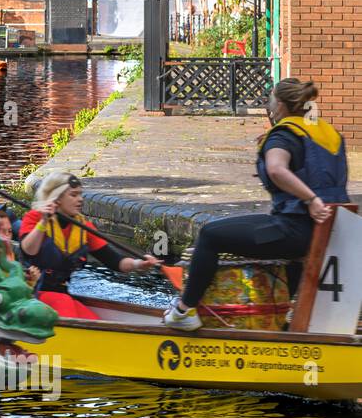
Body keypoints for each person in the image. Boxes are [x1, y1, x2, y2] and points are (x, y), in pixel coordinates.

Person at [164, 78, 350, 330]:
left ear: (282, 106)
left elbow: (276, 170)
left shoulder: (283, 135)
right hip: (332, 231)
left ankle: (184, 312)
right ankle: (283, 316)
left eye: (270, 102)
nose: (269, 108)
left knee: (210, 235)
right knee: (290, 256)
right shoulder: (329, 134)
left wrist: (310, 199)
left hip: (297, 230)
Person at [20, 172, 161, 320]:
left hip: (62, 293)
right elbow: (29, 249)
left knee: (91, 318)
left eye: (80, 194)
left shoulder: (83, 227)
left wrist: (139, 263)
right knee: (64, 303)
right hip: (32, 293)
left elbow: (115, 261)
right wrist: (43, 222)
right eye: (73, 195)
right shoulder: (35, 217)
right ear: (57, 198)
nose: (80, 200)